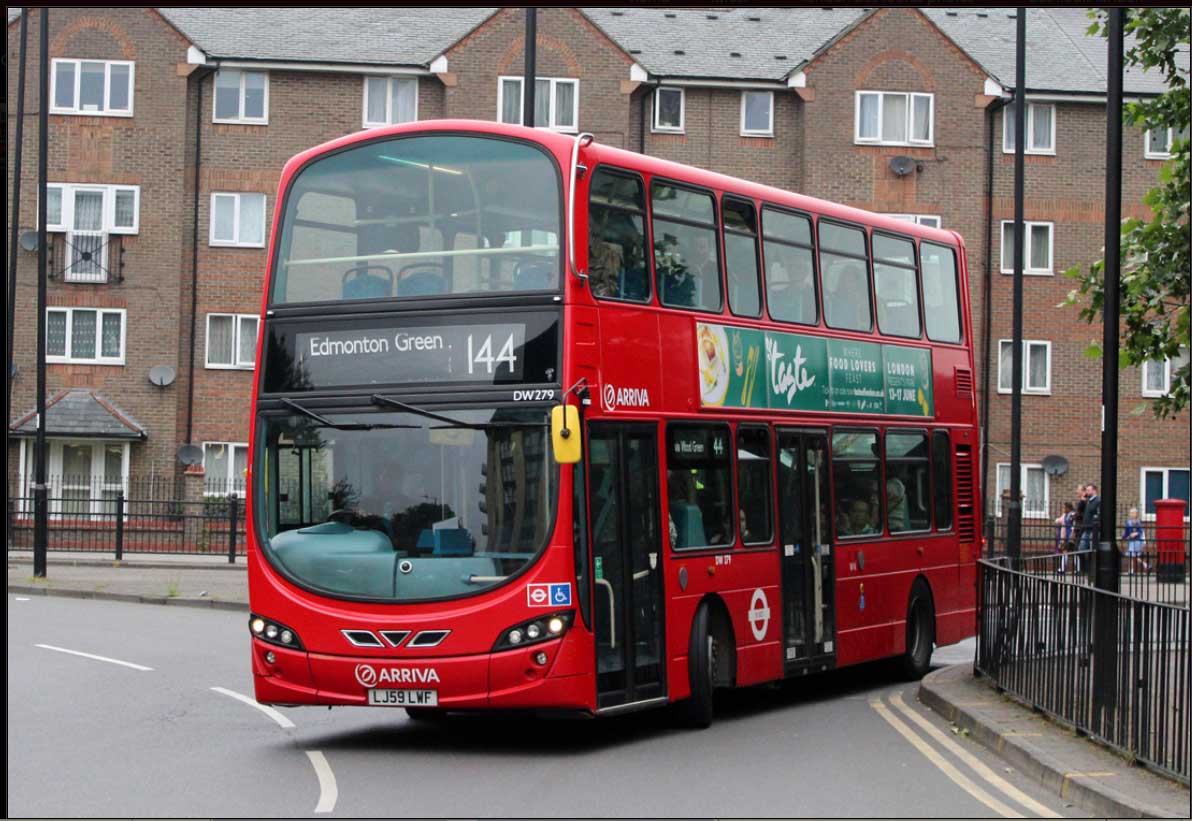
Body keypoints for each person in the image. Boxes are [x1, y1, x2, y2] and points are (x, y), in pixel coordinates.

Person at [1122, 507, 1148, 575]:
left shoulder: (1138, 523)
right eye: (1131, 513)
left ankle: (1132, 570)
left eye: (1133, 513)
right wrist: (1123, 537)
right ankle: (1143, 566)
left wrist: (1136, 533)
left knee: (1132, 555)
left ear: (1136, 514)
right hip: (1131, 541)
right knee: (1132, 556)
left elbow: (1141, 531)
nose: (1131, 514)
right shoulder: (1128, 523)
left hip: (1137, 541)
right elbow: (1126, 532)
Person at [1054, 501, 1076, 573]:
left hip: (1072, 536)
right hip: (1066, 536)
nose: (1063, 509)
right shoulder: (1065, 515)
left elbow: (1074, 524)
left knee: (1074, 552)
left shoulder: (1072, 514)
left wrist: (1072, 535)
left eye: (1065, 507)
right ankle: (1063, 568)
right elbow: (1058, 521)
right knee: (1065, 551)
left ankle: (1076, 569)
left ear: (1068, 508)